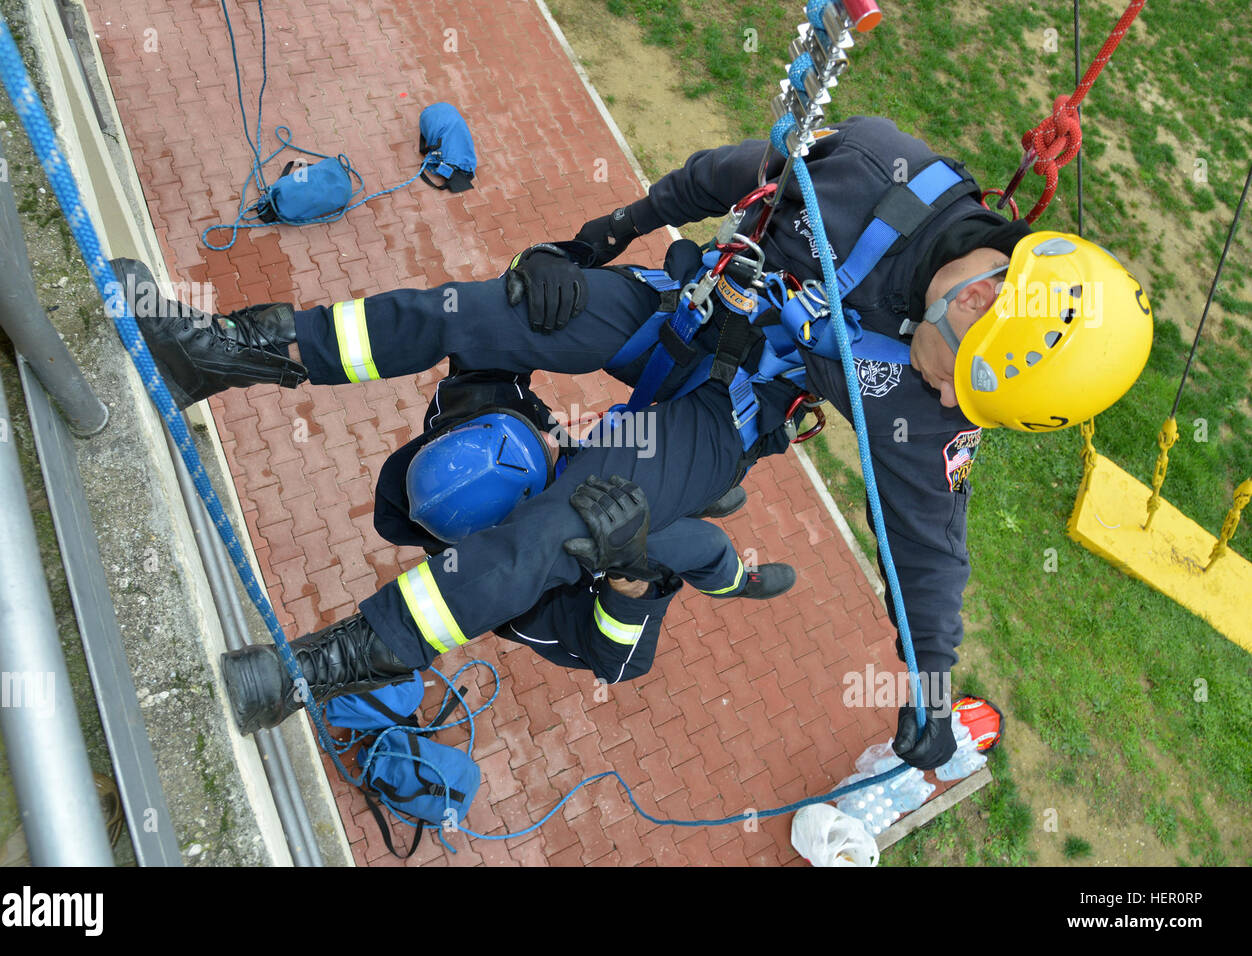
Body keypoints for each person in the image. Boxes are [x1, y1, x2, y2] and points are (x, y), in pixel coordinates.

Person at [113, 115, 1152, 769]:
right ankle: (224, 355)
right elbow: (725, 177)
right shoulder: (876, 168)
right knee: (470, 312)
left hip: (724, 417)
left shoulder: (932, 413)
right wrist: (597, 240)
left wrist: (928, 682)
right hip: (685, 312)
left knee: (561, 530)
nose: (943, 398)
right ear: (979, 298)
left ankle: (315, 667)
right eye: (952, 373)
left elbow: (929, 551)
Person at [219, 364, 796, 733]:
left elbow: (488, 356)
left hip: (617, 470)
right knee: (704, 543)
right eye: (548, 451)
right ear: (525, 504)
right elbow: (618, 663)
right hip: (622, 542)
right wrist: (627, 574)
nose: (552, 435)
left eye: (541, 436)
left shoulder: (472, 432)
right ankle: (738, 583)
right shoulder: (524, 606)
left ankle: (703, 489)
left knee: (661, 454)